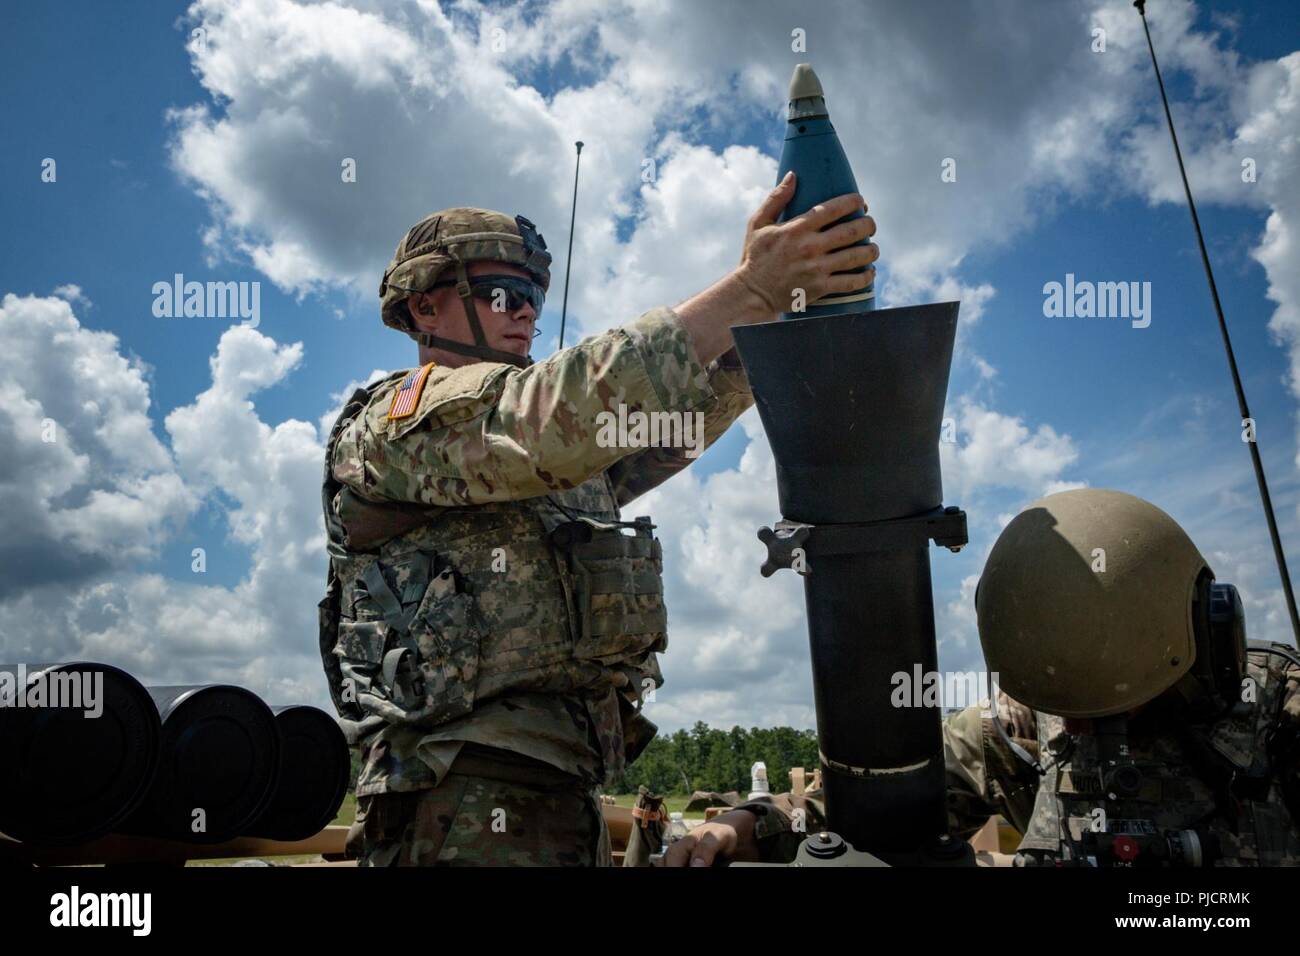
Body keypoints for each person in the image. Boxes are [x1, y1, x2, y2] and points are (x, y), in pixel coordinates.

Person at [318, 177, 880, 866]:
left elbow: (662, 426)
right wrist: (750, 289)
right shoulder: (398, 422)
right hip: (456, 797)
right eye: (503, 293)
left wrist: (753, 328)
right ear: (426, 303)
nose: (525, 311)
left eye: (533, 296)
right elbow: (550, 419)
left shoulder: (548, 442)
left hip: (566, 785)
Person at [667, 489, 1300, 867]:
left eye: (1106, 713)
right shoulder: (1024, 725)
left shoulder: (1280, 718)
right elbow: (879, 804)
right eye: (1055, 703)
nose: (1072, 726)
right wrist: (750, 823)